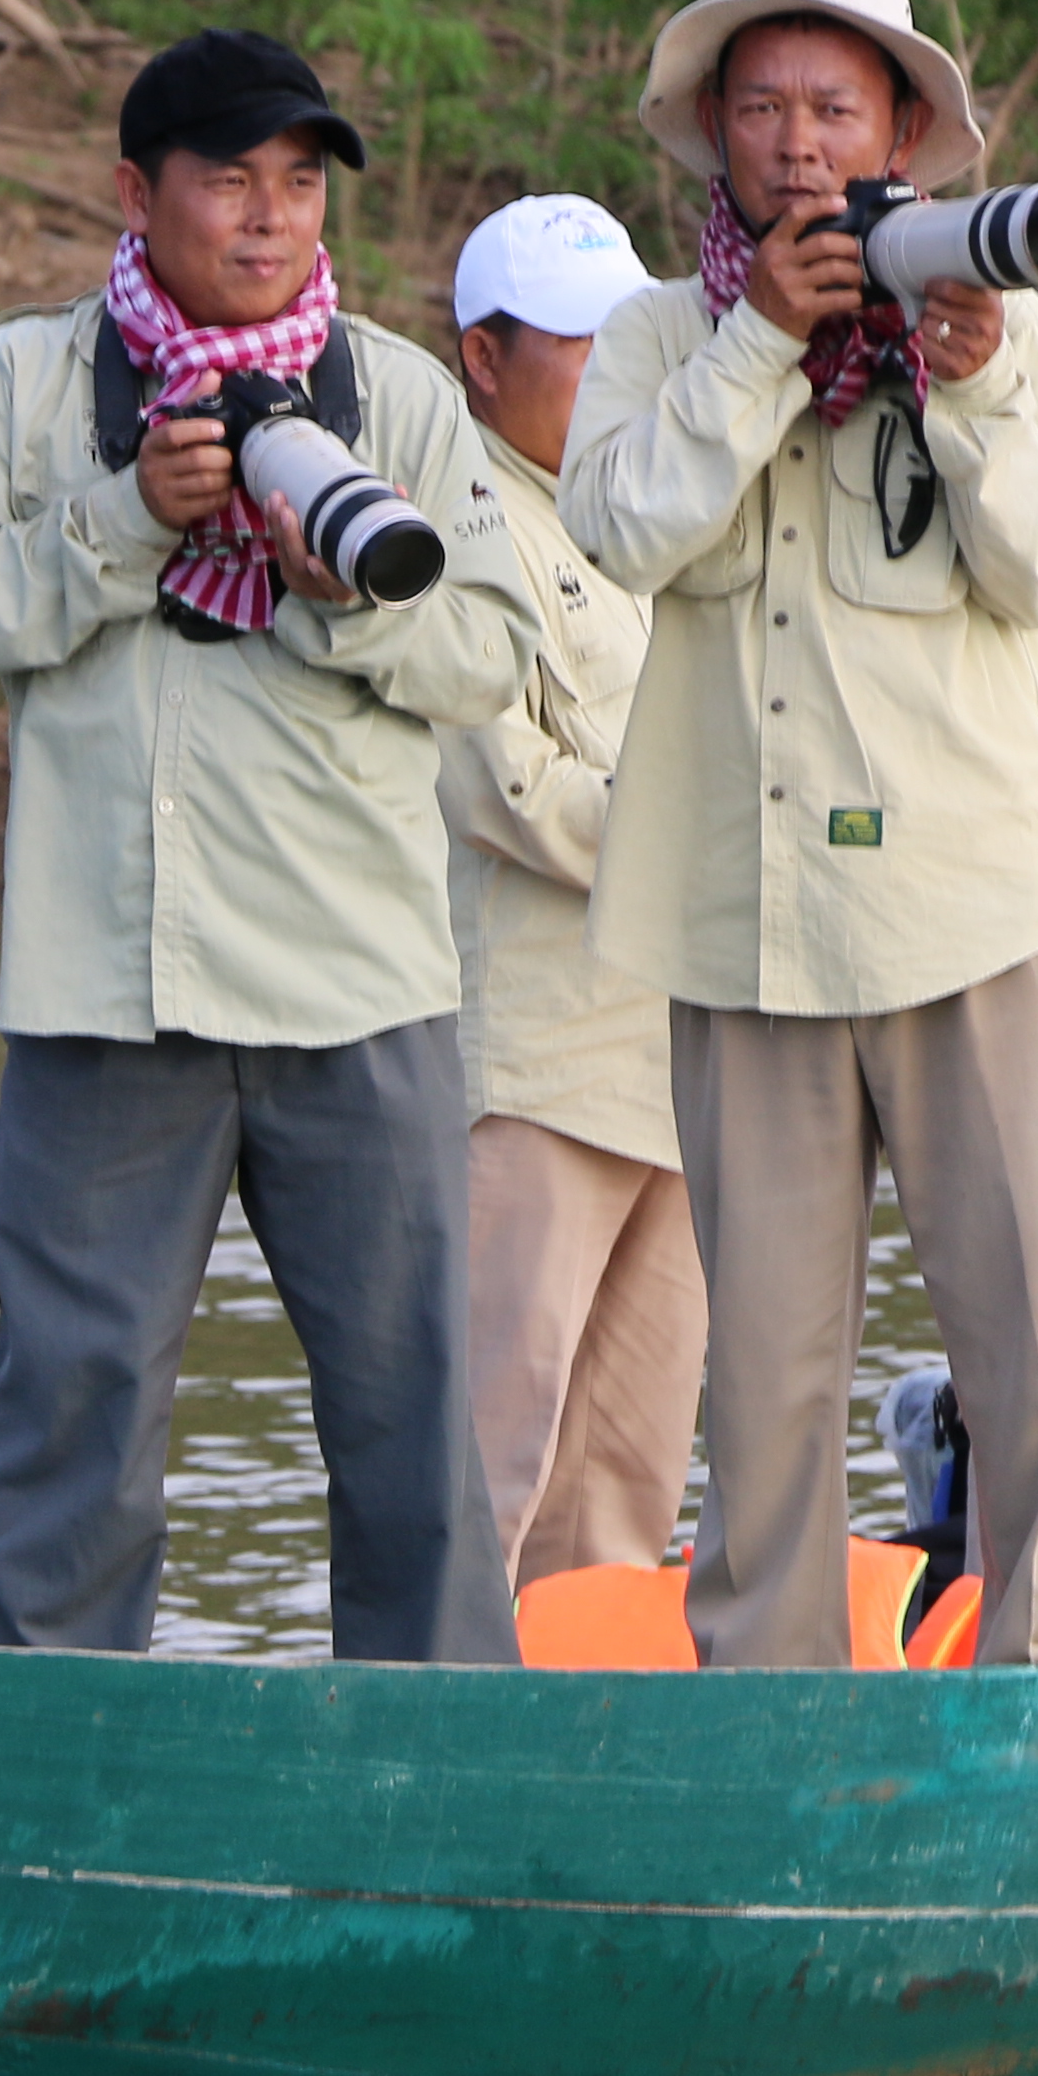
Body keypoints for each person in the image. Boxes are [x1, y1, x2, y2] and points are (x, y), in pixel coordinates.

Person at [0, 28, 539, 1661]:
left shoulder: (393, 393)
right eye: (229, 180)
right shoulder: (27, 382)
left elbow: (496, 656)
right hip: (106, 995)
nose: (269, 218)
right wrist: (123, 523)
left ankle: (444, 1791)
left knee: (413, 1433)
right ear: (135, 191)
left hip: (360, 999)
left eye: (301, 184)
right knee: (71, 1428)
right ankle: (43, 1786)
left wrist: (348, 603)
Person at [557, 0, 1038, 1668]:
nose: (798, 144)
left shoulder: (1005, 328)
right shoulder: (658, 336)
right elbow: (616, 534)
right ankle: (775, 1738)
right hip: (743, 930)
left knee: (1035, 1357)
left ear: (903, 131)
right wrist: (756, 346)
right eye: (762, 107)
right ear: (713, 134)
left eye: (833, 108)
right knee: (772, 1386)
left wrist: (955, 393)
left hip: (974, 913)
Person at [438, 193, 704, 1589]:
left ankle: (588, 1756)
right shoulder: (446, 518)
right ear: (483, 359)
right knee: (485, 1466)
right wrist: (720, 832)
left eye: (630, 342)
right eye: (581, 349)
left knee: (626, 1489)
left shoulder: (647, 514)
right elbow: (500, 787)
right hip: (535, 1070)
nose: (618, 379)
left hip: (678, 1067)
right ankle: (425, 1754)